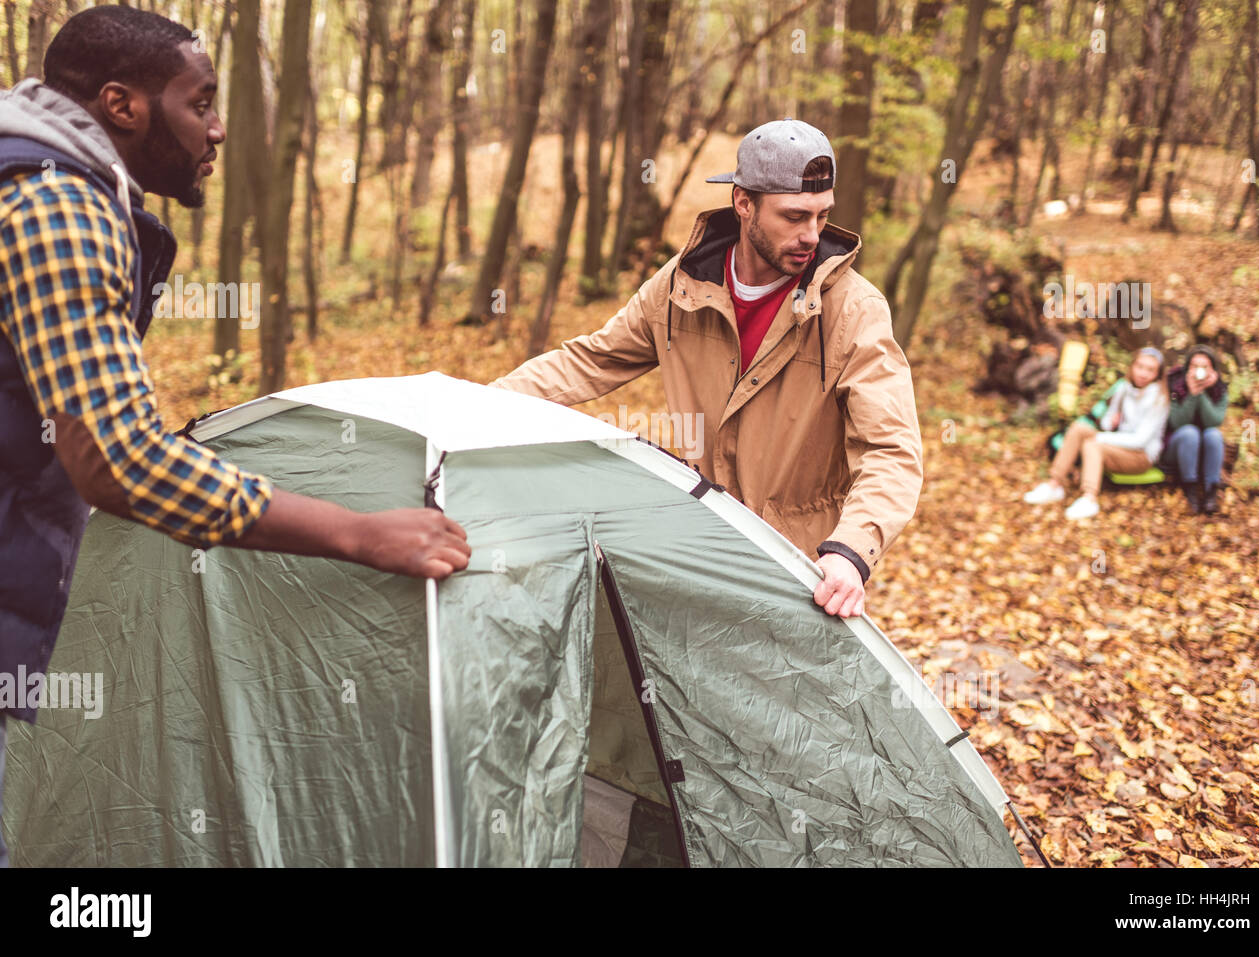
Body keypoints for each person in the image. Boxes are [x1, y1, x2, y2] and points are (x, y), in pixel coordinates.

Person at [0, 7, 470, 867]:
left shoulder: (46, 182)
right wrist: (356, 532)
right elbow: (116, 456)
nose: (218, 129)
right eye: (200, 102)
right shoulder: (56, 205)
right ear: (121, 104)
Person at [490, 119, 923, 621]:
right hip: (701, 550)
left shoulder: (853, 310)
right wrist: (479, 405)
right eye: (794, 216)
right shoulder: (681, 286)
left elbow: (890, 449)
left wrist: (850, 552)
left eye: (823, 217)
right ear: (744, 204)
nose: (811, 235)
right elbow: (589, 360)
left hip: (803, 575)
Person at [1024, 347, 1169, 520]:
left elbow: (1140, 440)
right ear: (1133, 366)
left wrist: (1101, 437)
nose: (1143, 373)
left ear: (1158, 374)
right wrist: (1111, 421)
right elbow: (1106, 421)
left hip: (1141, 456)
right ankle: (1054, 484)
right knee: (1079, 428)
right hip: (1118, 445)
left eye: (1150, 369)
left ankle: (1089, 498)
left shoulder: (1159, 399)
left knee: (1093, 445)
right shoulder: (1123, 387)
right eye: (1140, 366)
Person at [1162, 344, 1228, 514]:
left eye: (1204, 367)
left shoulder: (1220, 389)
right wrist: (1192, 395)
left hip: (1204, 450)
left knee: (1213, 434)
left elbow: (1214, 421)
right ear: (1187, 368)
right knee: (1189, 432)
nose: (1199, 371)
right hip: (1176, 447)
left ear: (1213, 370)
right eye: (1195, 366)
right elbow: (1177, 422)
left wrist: (1202, 394)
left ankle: (1210, 492)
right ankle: (1190, 491)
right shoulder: (1174, 385)